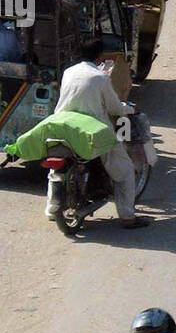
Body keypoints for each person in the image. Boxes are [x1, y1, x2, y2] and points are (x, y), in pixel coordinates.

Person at [54, 37, 148, 228]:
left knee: (54, 170)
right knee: (125, 171)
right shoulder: (101, 77)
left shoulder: (68, 72)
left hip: (62, 125)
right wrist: (129, 109)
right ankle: (128, 217)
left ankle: (51, 209)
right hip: (92, 131)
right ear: (100, 58)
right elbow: (114, 108)